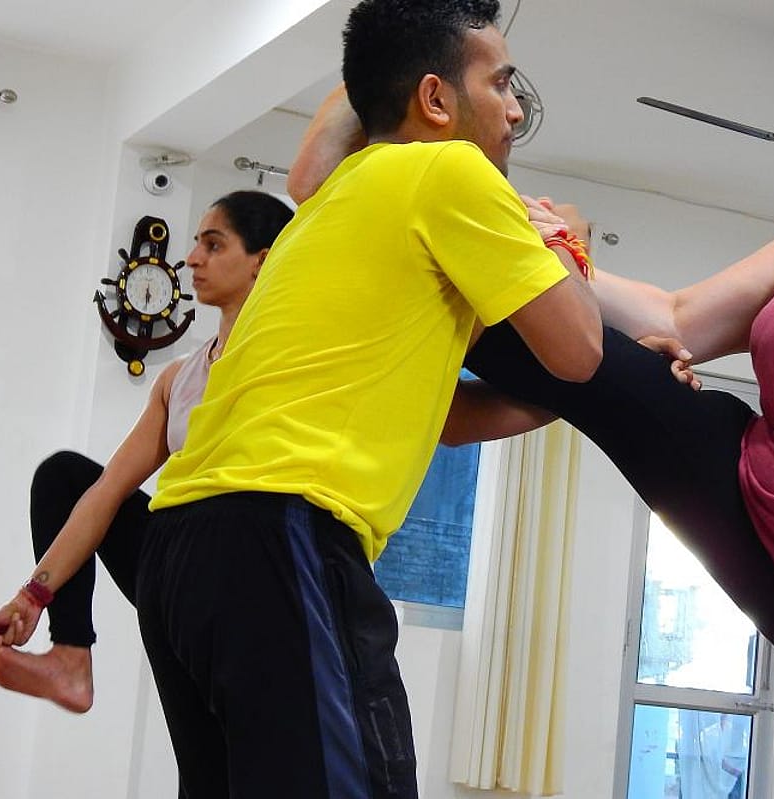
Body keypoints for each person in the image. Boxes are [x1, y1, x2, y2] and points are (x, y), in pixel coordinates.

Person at [299, 6, 774, 797]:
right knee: (599, 358)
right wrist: (534, 246)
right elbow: (674, 319)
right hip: (772, 513)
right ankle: (392, 185)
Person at [135, 1, 604, 797]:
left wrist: (558, 406)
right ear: (433, 99)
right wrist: (569, 237)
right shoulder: (451, 172)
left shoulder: (332, 202)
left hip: (181, 544)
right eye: (502, 83)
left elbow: (444, 417)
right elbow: (581, 349)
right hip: (282, 535)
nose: (517, 109)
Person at [0, 191, 294, 715]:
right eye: (196, 244)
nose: (192, 258)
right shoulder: (178, 377)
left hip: (246, 567)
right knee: (64, 477)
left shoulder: (290, 358)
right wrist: (31, 598)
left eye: (214, 244)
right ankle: (71, 658)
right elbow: (107, 492)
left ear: (263, 259)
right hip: (179, 562)